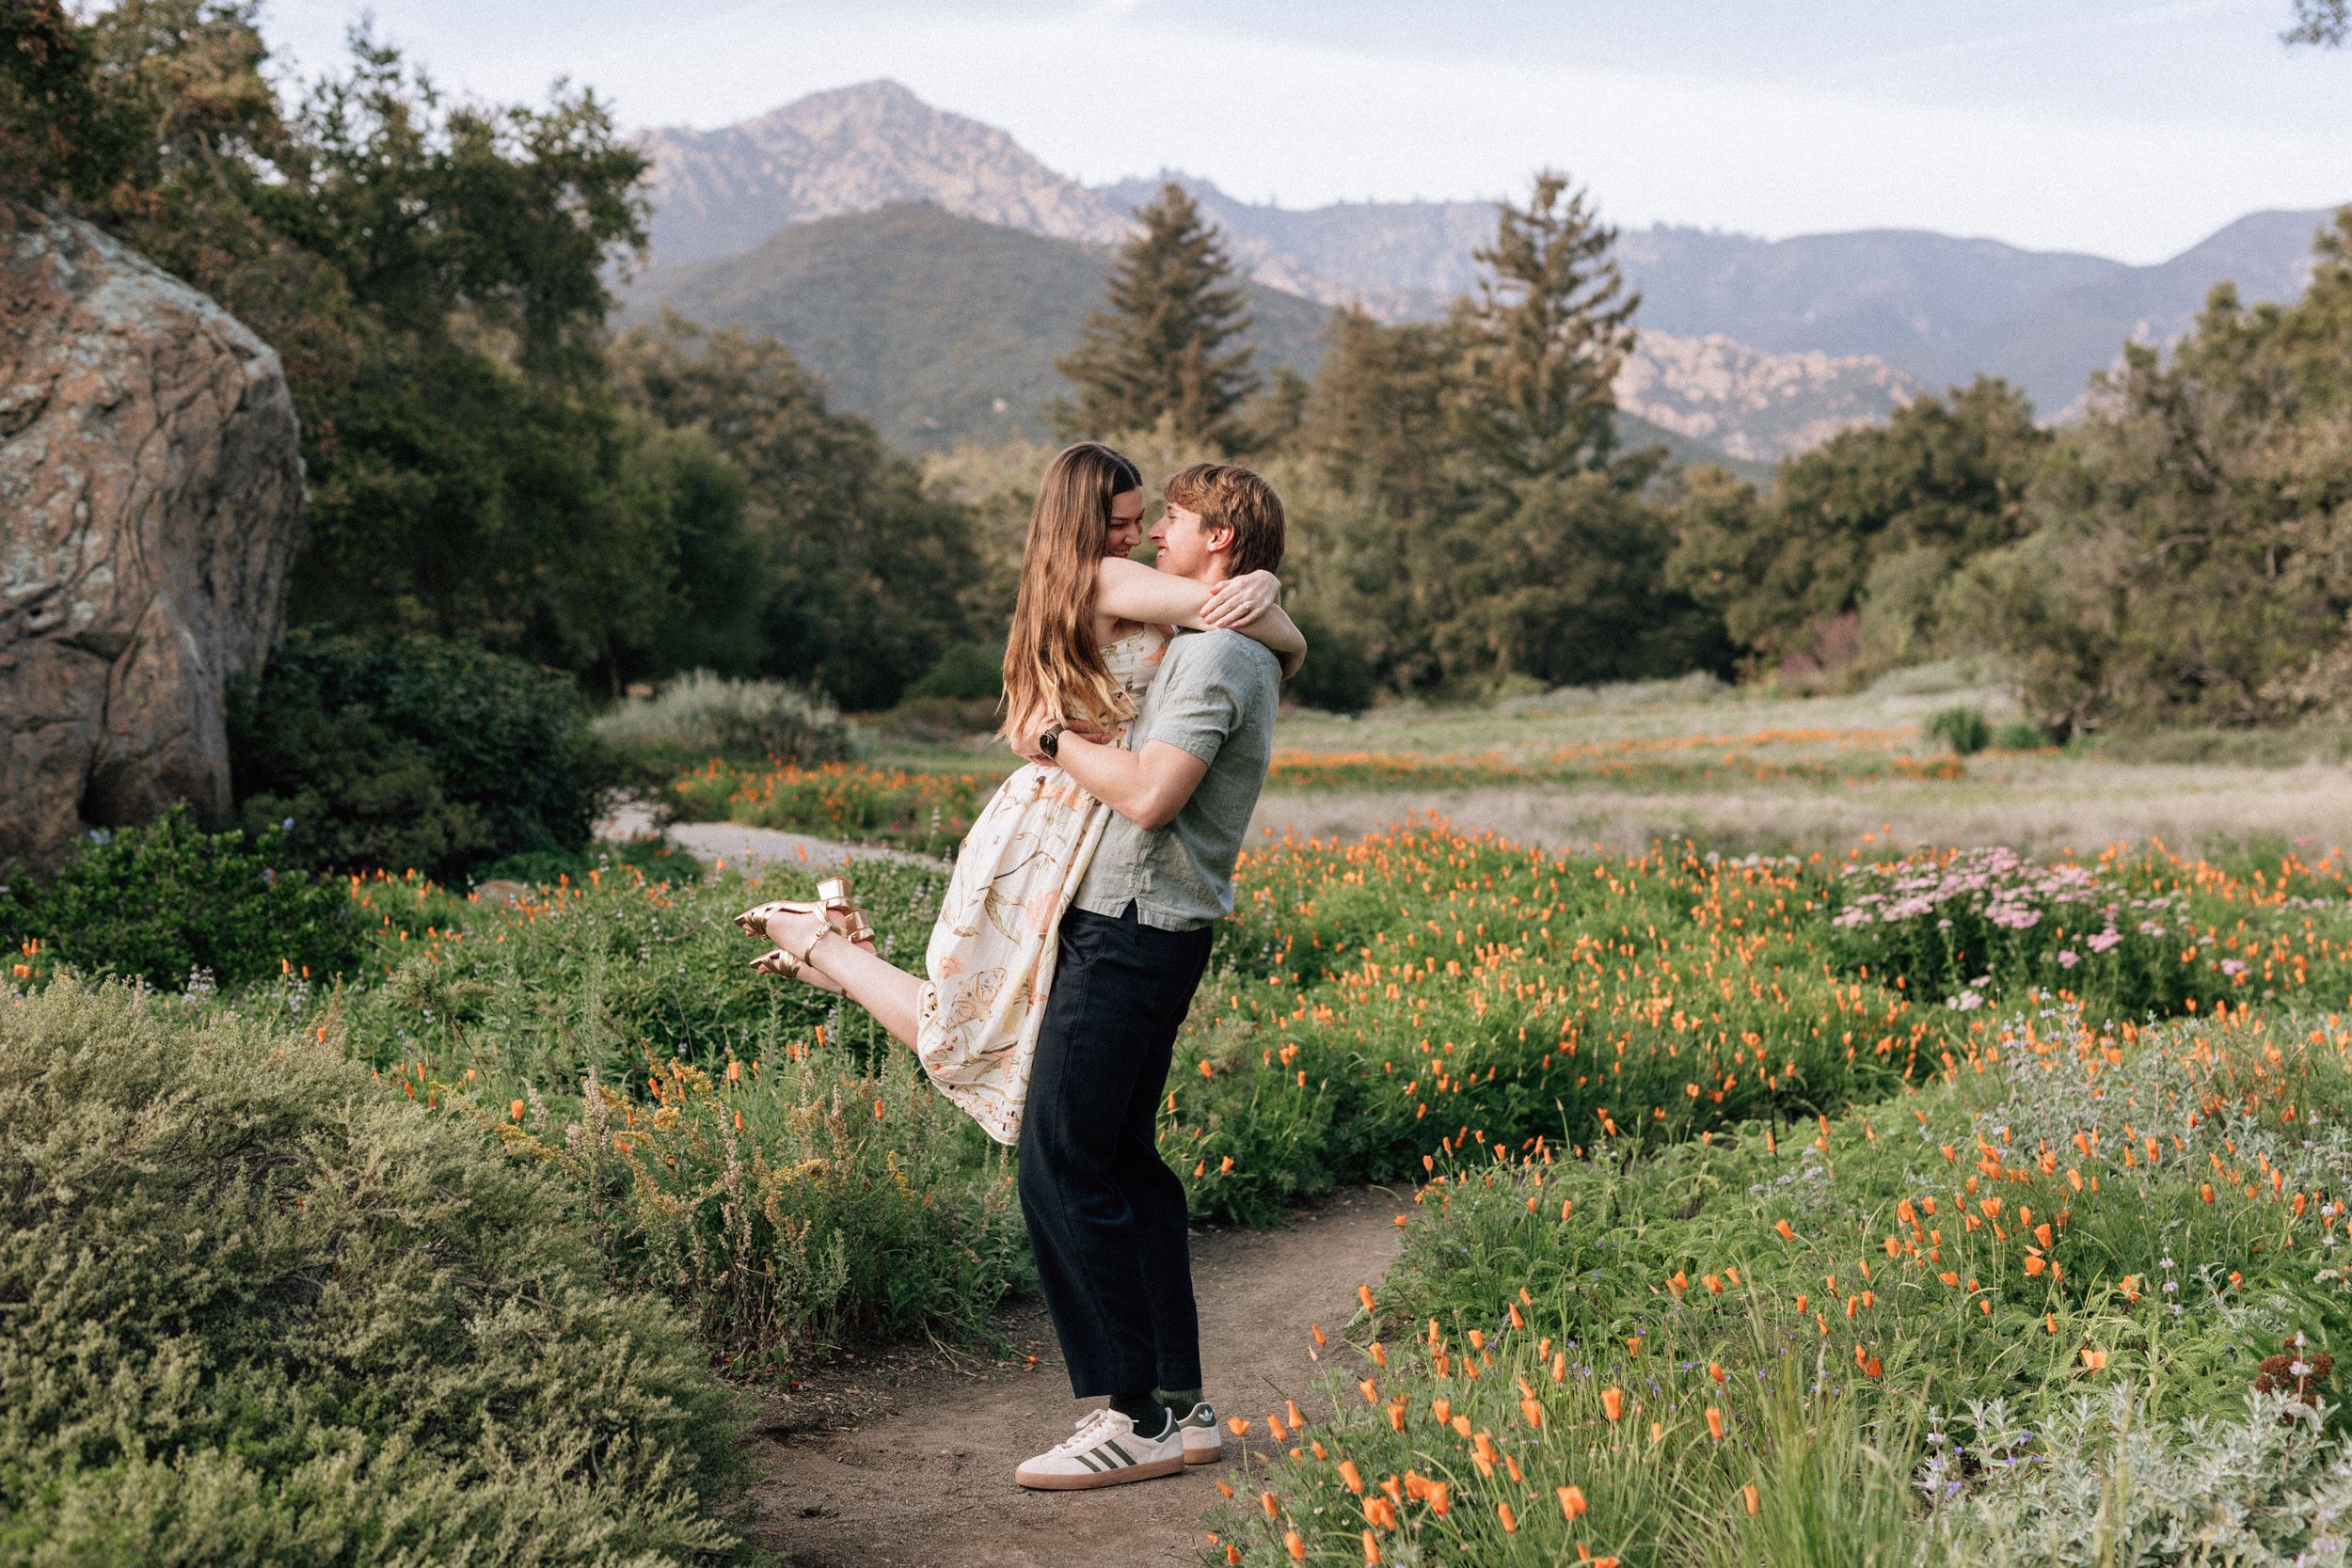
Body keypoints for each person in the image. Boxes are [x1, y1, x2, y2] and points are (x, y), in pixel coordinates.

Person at [743, 448, 1298, 1490]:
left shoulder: (1215, 650)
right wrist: (1266, 601)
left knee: (1062, 1159)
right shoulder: (1174, 616)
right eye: (1132, 521)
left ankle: (1131, 1411)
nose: (1146, 537)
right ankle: (1177, 1405)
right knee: (1118, 1159)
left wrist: (1049, 730)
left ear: (1213, 540)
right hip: (1104, 899)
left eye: (1162, 521)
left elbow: (1145, 794)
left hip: (1128, 912)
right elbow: (1265, 639)